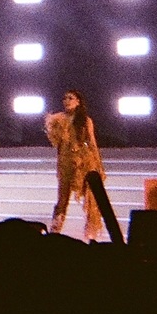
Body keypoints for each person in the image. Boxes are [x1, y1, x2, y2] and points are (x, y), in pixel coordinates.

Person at [44, 90, 105, 241]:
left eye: (70, 98)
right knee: (62, 199)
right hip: (65, 163)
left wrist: (98, 165)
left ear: (78, 101)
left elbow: (92, 143)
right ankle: (55, 231)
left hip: (82, 162)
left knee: (90, 199)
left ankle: (91, 235)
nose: (66, 101)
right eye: (64, 98)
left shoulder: (85, 120)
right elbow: (56, 142)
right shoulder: (58, 119)